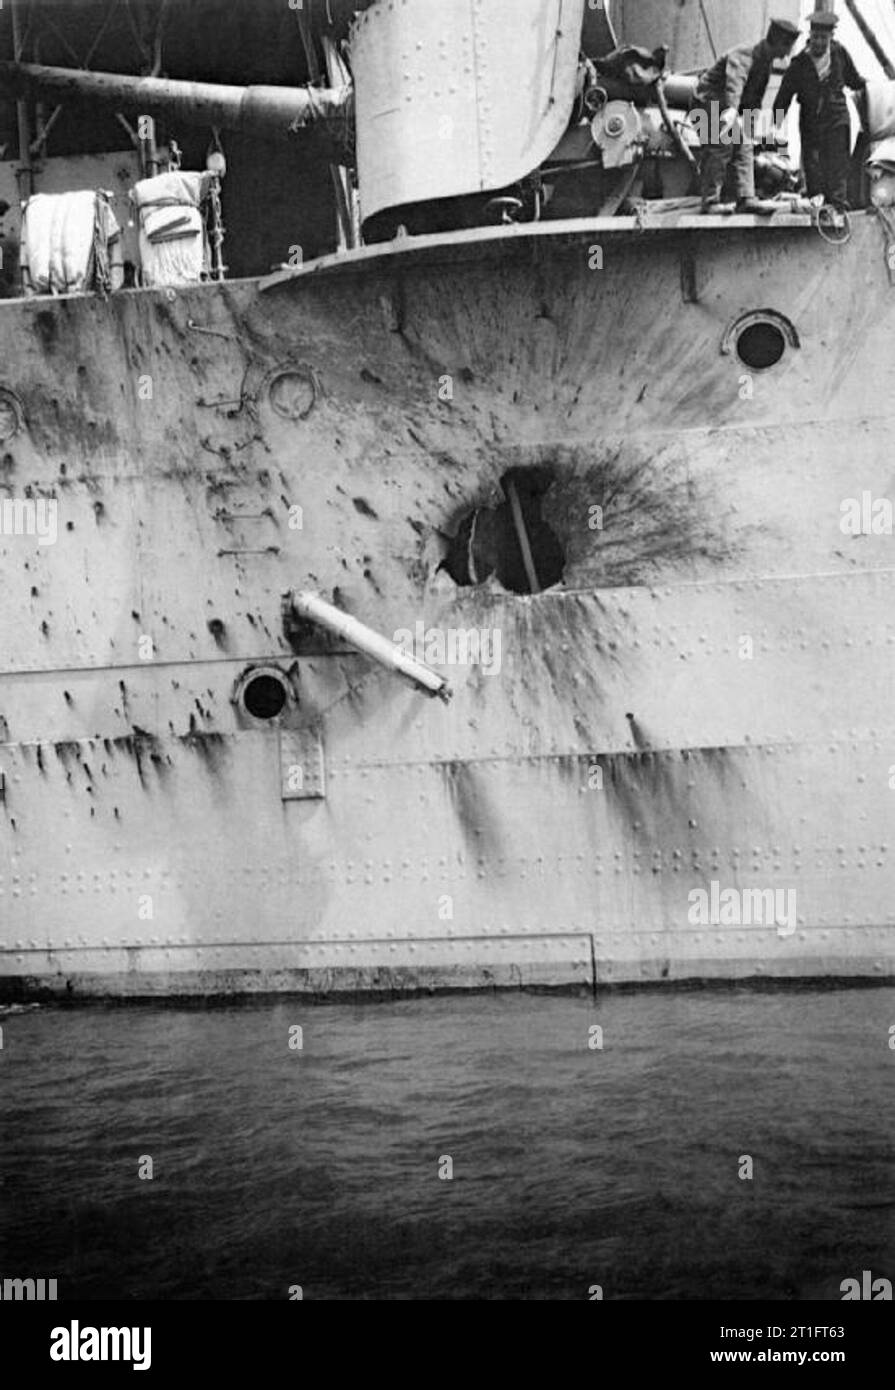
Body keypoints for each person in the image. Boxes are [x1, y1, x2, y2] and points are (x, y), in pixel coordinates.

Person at [694, 18, 800, 213]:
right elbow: (735, 83)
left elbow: (754, 99)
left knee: (745, 145)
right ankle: (709, 203)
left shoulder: (765, 63)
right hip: (706, 104)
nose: (788, 52)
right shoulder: (744, 54)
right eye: (788, 46)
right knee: (722, 143)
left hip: (731, 108)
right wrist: (733, 111)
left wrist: (751, 125)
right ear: (778, 42)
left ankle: (746, 198)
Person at [774, 10, 867, 212]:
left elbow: (854, 80)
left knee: (837, 162)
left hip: (837, 117)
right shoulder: (799, 63)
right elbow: (783, 97)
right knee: (813, 163)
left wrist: (875, 90)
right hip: (811, 122)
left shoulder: (839, 53)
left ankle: (839, 206)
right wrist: (776, 124)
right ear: (810, 35)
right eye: (815, 37)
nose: (818, 42)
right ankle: (817, 203)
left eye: (823, 38)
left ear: (831, 37)